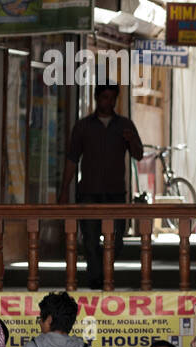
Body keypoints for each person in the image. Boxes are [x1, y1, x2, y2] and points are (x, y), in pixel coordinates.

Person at [59, 83, 143, 289]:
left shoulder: (125, 125)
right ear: (97, 99)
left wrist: (131, 141)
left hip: (116, 193)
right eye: (105, 97)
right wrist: (63, 191)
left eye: (112, 98)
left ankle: (104, 273)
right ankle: (97, 280)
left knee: (116, 241)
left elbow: (138, 154)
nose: (109, 102)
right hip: (88, 192)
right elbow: (72, 160)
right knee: (89, 240)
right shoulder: (83, 126)